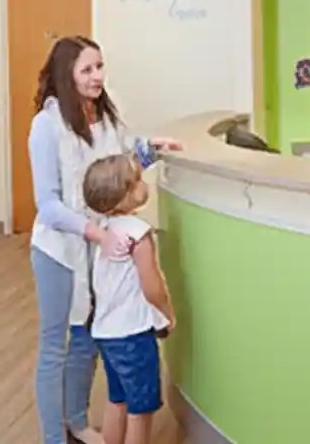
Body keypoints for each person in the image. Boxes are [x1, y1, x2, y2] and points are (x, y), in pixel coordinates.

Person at [27, 36, 182, 444]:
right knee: (55, 345)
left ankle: (77, 422)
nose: (98, 77)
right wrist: (96, 232)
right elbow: (47, 204)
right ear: (67, 76)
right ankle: (53, 437)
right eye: (87, 70)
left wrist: (151, 150)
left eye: (100, 67)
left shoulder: (106, 117)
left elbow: (120, 167)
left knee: (86, 341)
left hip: (96, 251)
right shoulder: (46, 126)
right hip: (59, 251)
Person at [82, 154, 175, 444]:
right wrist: (168, 313)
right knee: (140, 411)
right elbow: (152, 287)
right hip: (133, 335)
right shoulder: (138, 234)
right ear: (121, 197)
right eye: (135, 182)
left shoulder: (107, 230)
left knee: (117, 400)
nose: (143, 185)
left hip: (106, 333)